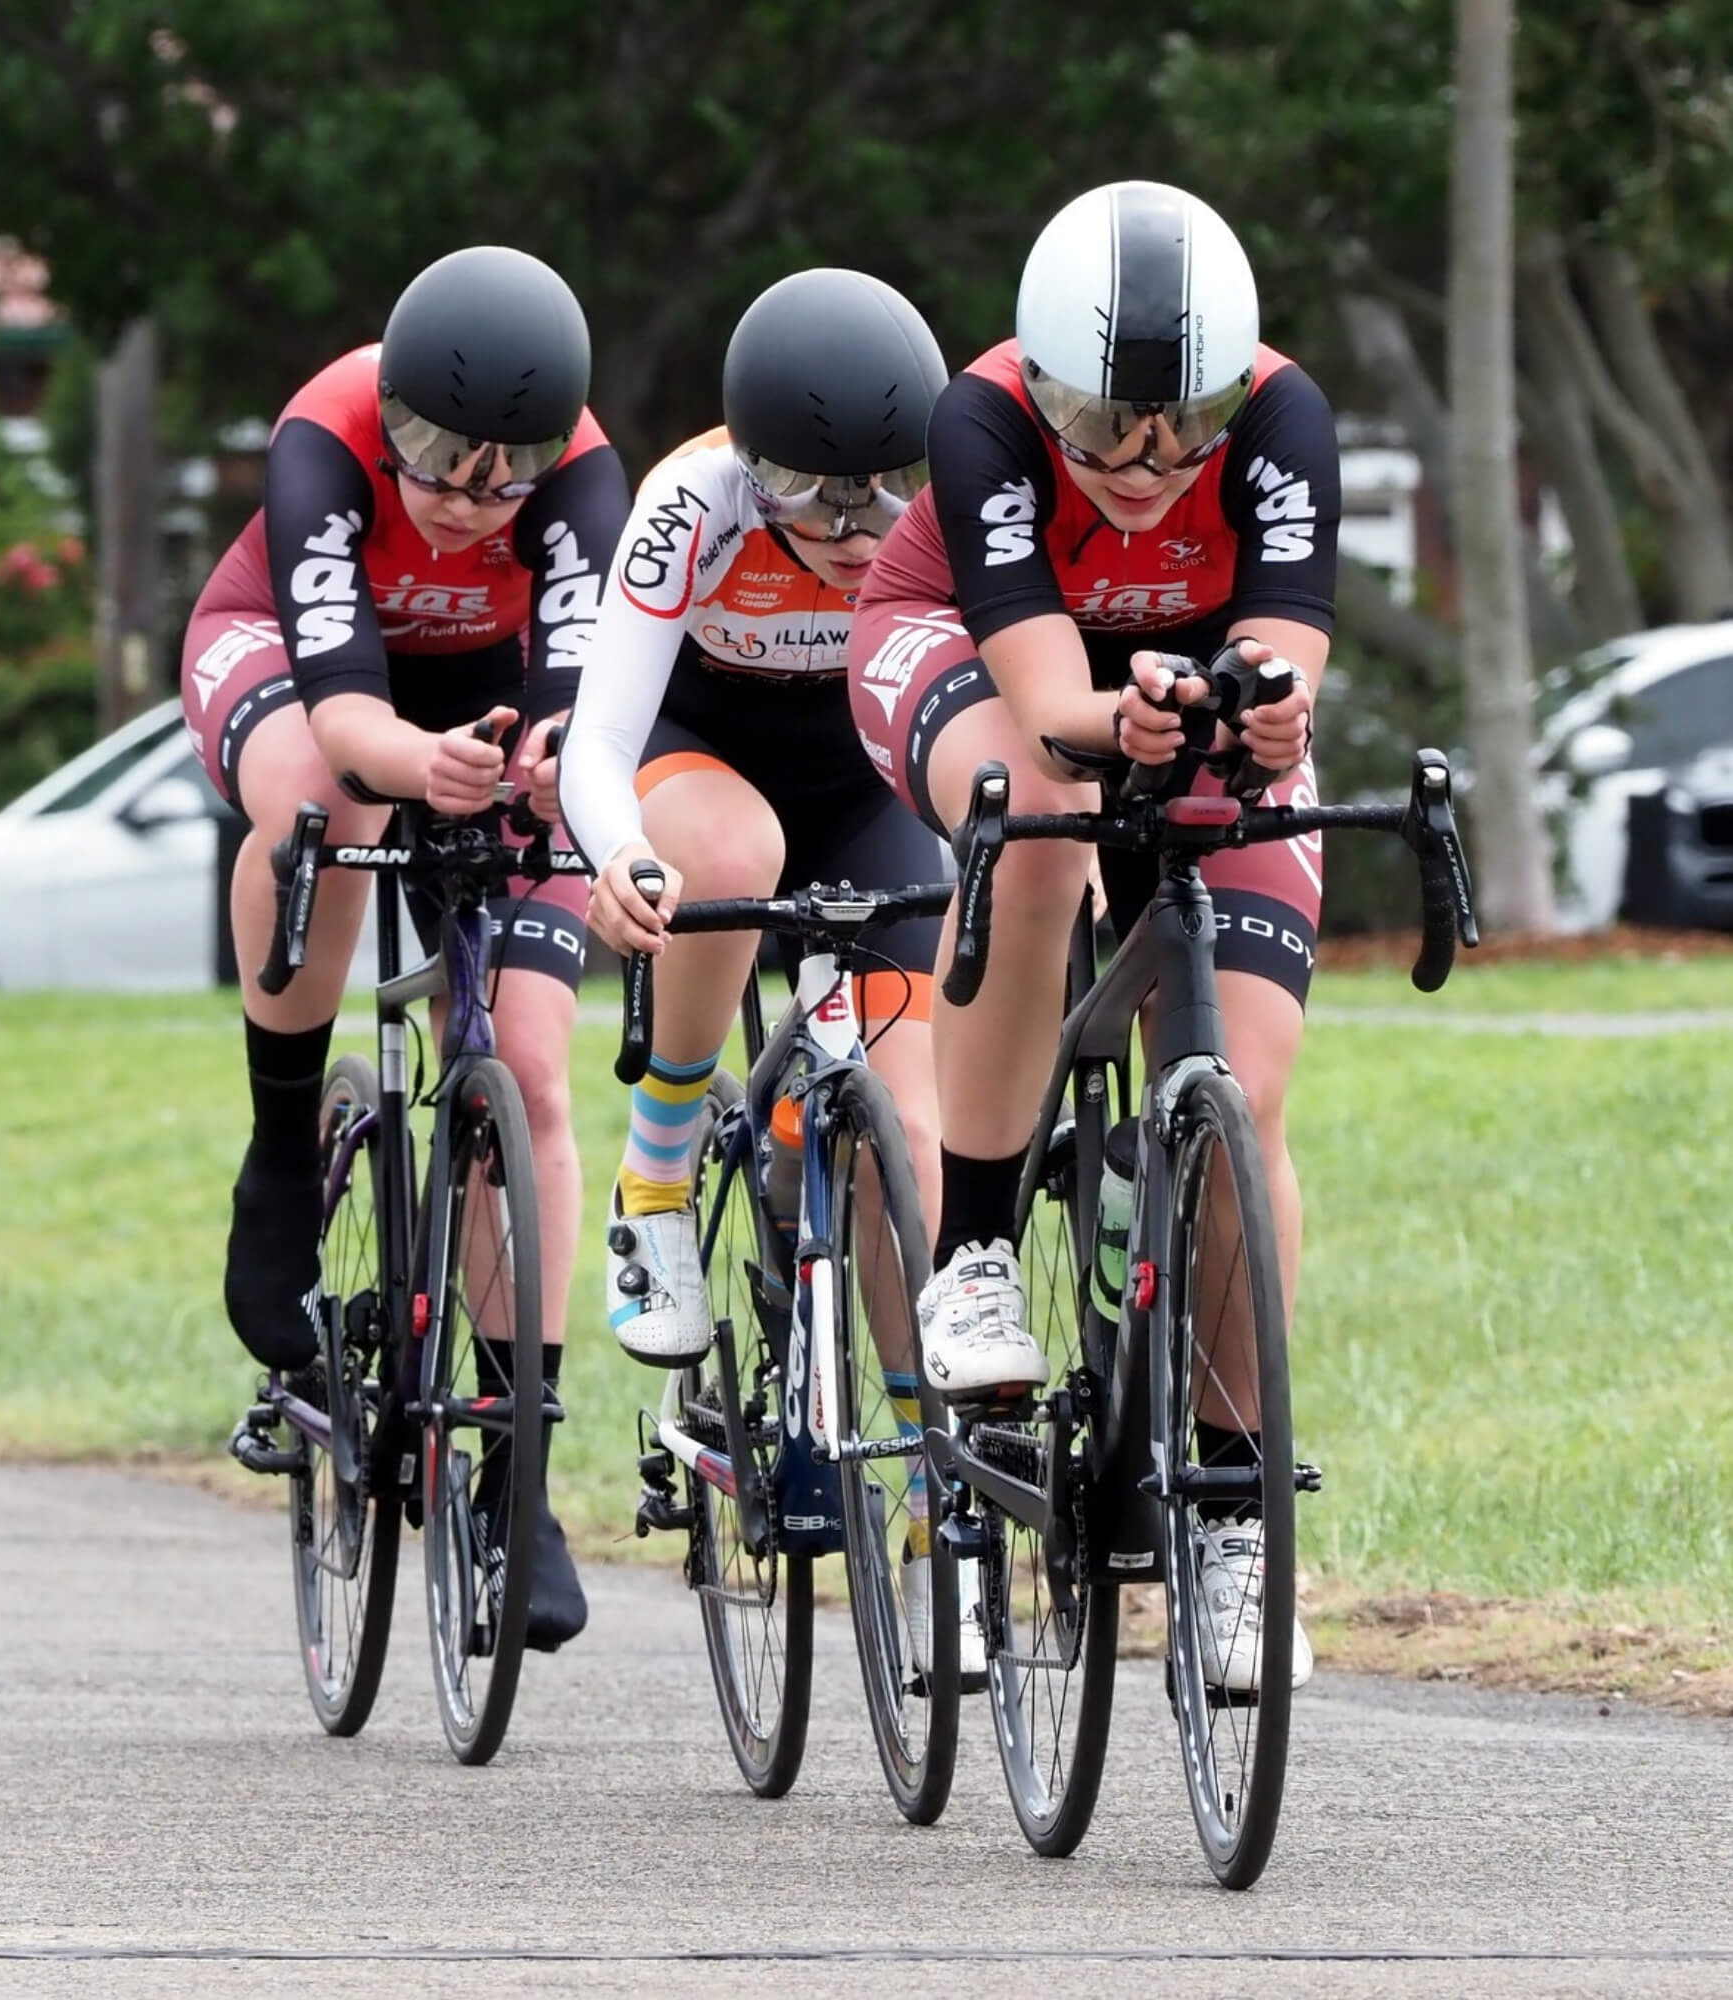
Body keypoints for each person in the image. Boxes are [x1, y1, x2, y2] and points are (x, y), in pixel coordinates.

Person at [846, 182, 1338, 1692]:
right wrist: (1106, 722)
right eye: (1100, 423)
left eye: (1178, 425)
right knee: (1042, 806)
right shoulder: (981, 419)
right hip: (979, 651)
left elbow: (1288, 659)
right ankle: (978, 1249)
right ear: (1040, 388)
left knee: (1243, 1106)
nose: (1141, 463)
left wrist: (1262, 715)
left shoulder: (1286, 417)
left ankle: (1240, 1524)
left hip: (1180, 671)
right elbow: (1050, 685)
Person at [179, 245, 631, 1651]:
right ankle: (278, 1146)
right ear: (395, 417)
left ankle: (521, 1470)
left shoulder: (584, 480)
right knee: (324, 808)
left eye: (510, 472)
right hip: (312, 672)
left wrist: (551, 771)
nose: (467, 498)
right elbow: (339, 708)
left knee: (537, 1079)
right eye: (437, 462)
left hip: (489, 691)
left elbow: (576, 696)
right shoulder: (327, 432)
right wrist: (410, 760)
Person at [558, 268, 972, 1673]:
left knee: (907, 1128)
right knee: (725, 853)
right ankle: (661, 1158)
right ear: (752, 466)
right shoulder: (691, 503)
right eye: (814, 495)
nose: (855, 532)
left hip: (866, 771)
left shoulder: (954, 499)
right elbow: (595, 743)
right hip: (705, 751)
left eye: (885, 492)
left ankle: (933, 1473)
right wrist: (620, 856)